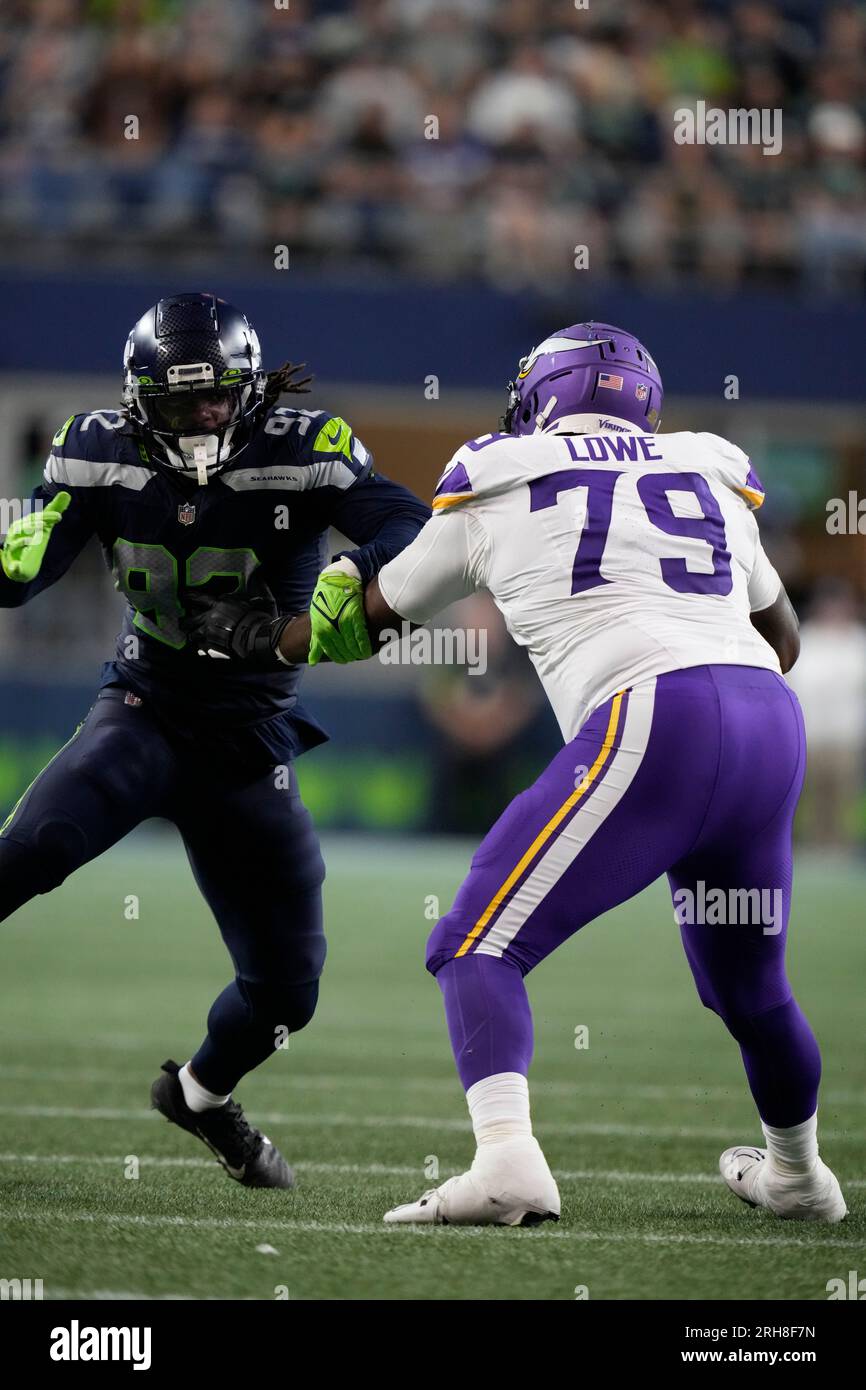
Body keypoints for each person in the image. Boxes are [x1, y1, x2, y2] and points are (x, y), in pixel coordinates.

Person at [187, 321, 846, 1226]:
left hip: (654, 717)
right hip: (770, 723)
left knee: (474, 940)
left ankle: (508, 1163)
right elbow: (784, 639)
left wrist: (261, 635)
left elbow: (362, 620)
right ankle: (800, 1176)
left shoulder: (501, 477)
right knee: (750, 986)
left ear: (542, 397)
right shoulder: (706, 472)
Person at [0, 291, 429, 1189]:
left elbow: (410, 526)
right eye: (180, 402)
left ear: (250, 389)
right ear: (136, 404)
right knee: (29, 852)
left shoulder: (304, 449)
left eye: (218, 397)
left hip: (249, 743)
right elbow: (23, 568)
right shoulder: (95, 450)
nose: (204, 417)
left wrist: (349, 578)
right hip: (146, 709)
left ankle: (198, 1096)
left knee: (286, 993)